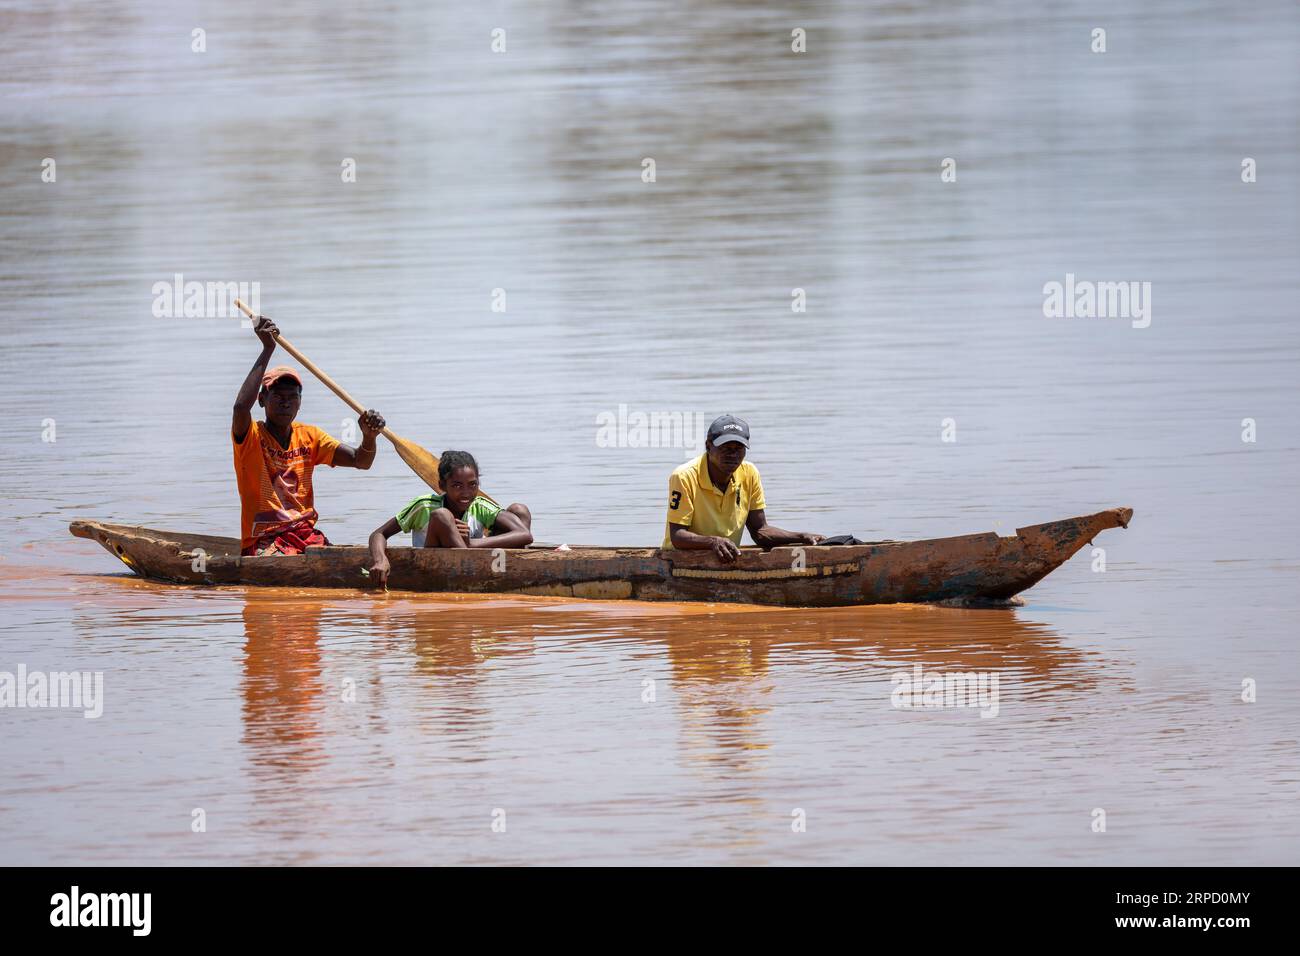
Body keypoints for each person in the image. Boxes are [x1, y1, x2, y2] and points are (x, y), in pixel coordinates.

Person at [232, 315, 386, 556]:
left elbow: (361, 461)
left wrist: (369, 437)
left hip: (303, 535)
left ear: (300, 402)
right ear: (262, 400)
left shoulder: (310, 437)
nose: (286, 403)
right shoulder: (251, 437)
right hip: (264, 539)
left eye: (292, 397)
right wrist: (267, 349)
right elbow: (241, 408)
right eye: (278, 396)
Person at [663, 414, 823, 562]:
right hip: (681, 562)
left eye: (738, 448)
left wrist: (801, 536)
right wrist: (714, 541)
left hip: (727, 560)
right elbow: (677, 536)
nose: (732, 455)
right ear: (708, 446)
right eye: (725, 448)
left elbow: (760, 531)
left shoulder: (749, 473)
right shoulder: (684, 477)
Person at [366, 450, 533, 587]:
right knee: (442, 516)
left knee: (519, 511)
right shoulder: (425, 506)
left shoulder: (479, 506)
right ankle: (473, 581)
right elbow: (379, 534)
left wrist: (471, 544)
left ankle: (515, 573)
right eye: (457, 486)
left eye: (472, 484)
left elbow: (525, 535)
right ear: (442, 486)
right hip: (431, 571)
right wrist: (380, 560)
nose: (466, 493)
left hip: (477, 565)